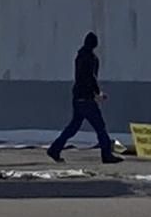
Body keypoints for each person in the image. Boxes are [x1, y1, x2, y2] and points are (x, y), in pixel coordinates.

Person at [47, 31, 123, 164]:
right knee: (100, 127)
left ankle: (55, 149)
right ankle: (106, 155)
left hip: (77, 97)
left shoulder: (80, 56)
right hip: (87, 99)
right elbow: (91, 78)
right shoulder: (90, 57)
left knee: (73, 127)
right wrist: (98, 93)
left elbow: (82, 77)